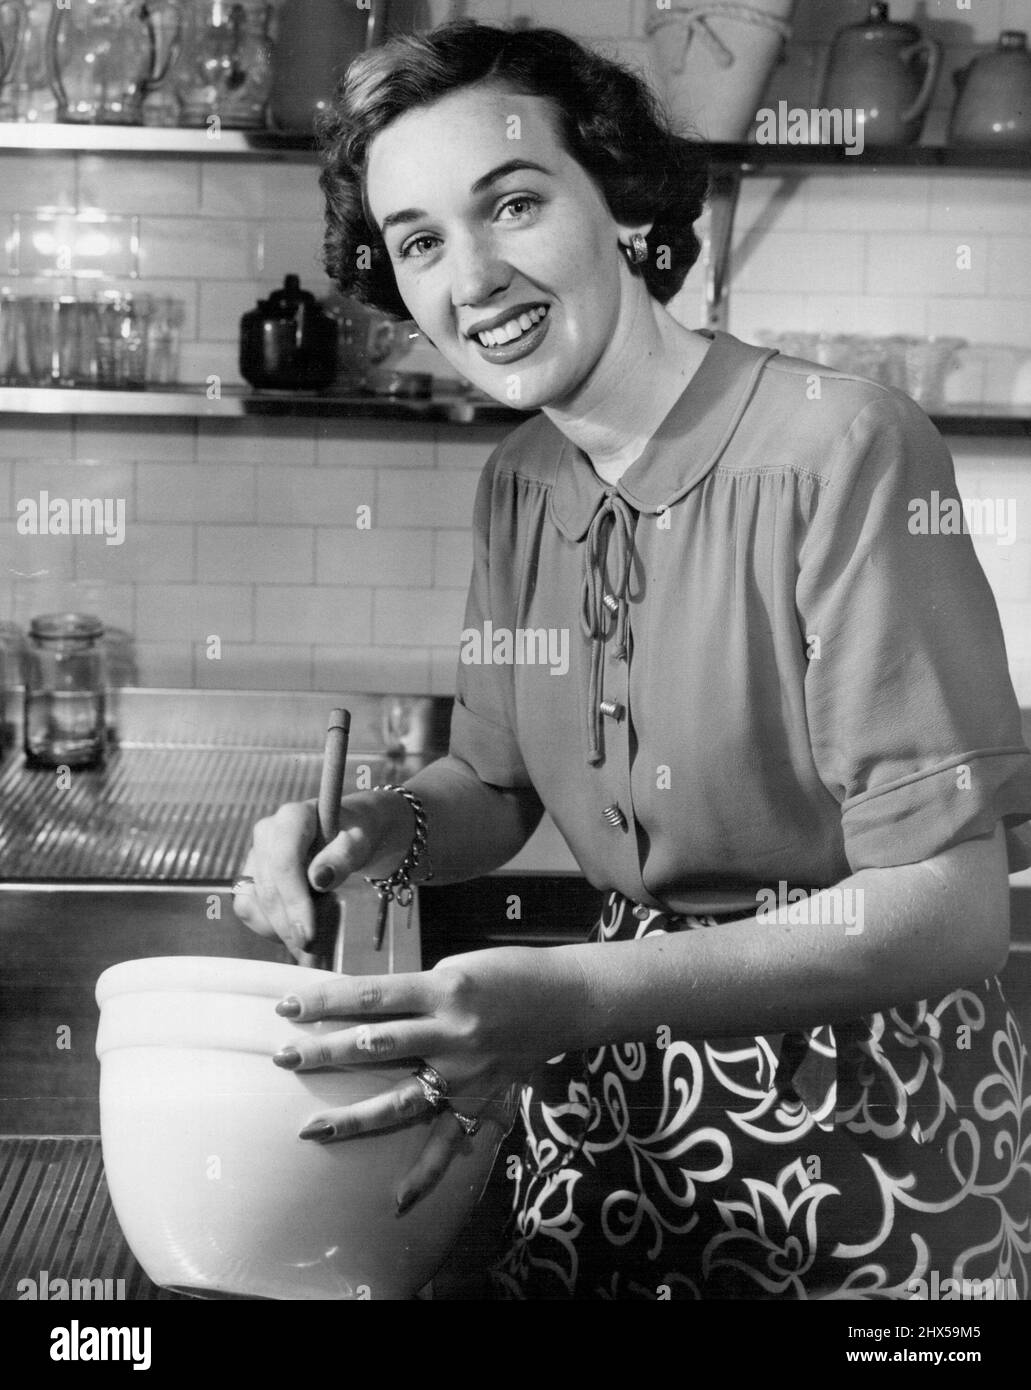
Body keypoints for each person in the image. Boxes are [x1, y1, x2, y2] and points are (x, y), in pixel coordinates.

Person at [232, 20, 1031, 1300]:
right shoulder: (520, 482)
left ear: (619, 204)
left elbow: (950, 910)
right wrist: (379, 831)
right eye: (421, 239)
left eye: (514, 203)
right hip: (607, 1117)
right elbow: (491, 789)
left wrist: (581, 992)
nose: (474, 275)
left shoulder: (843, 451)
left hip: (858, 1131)